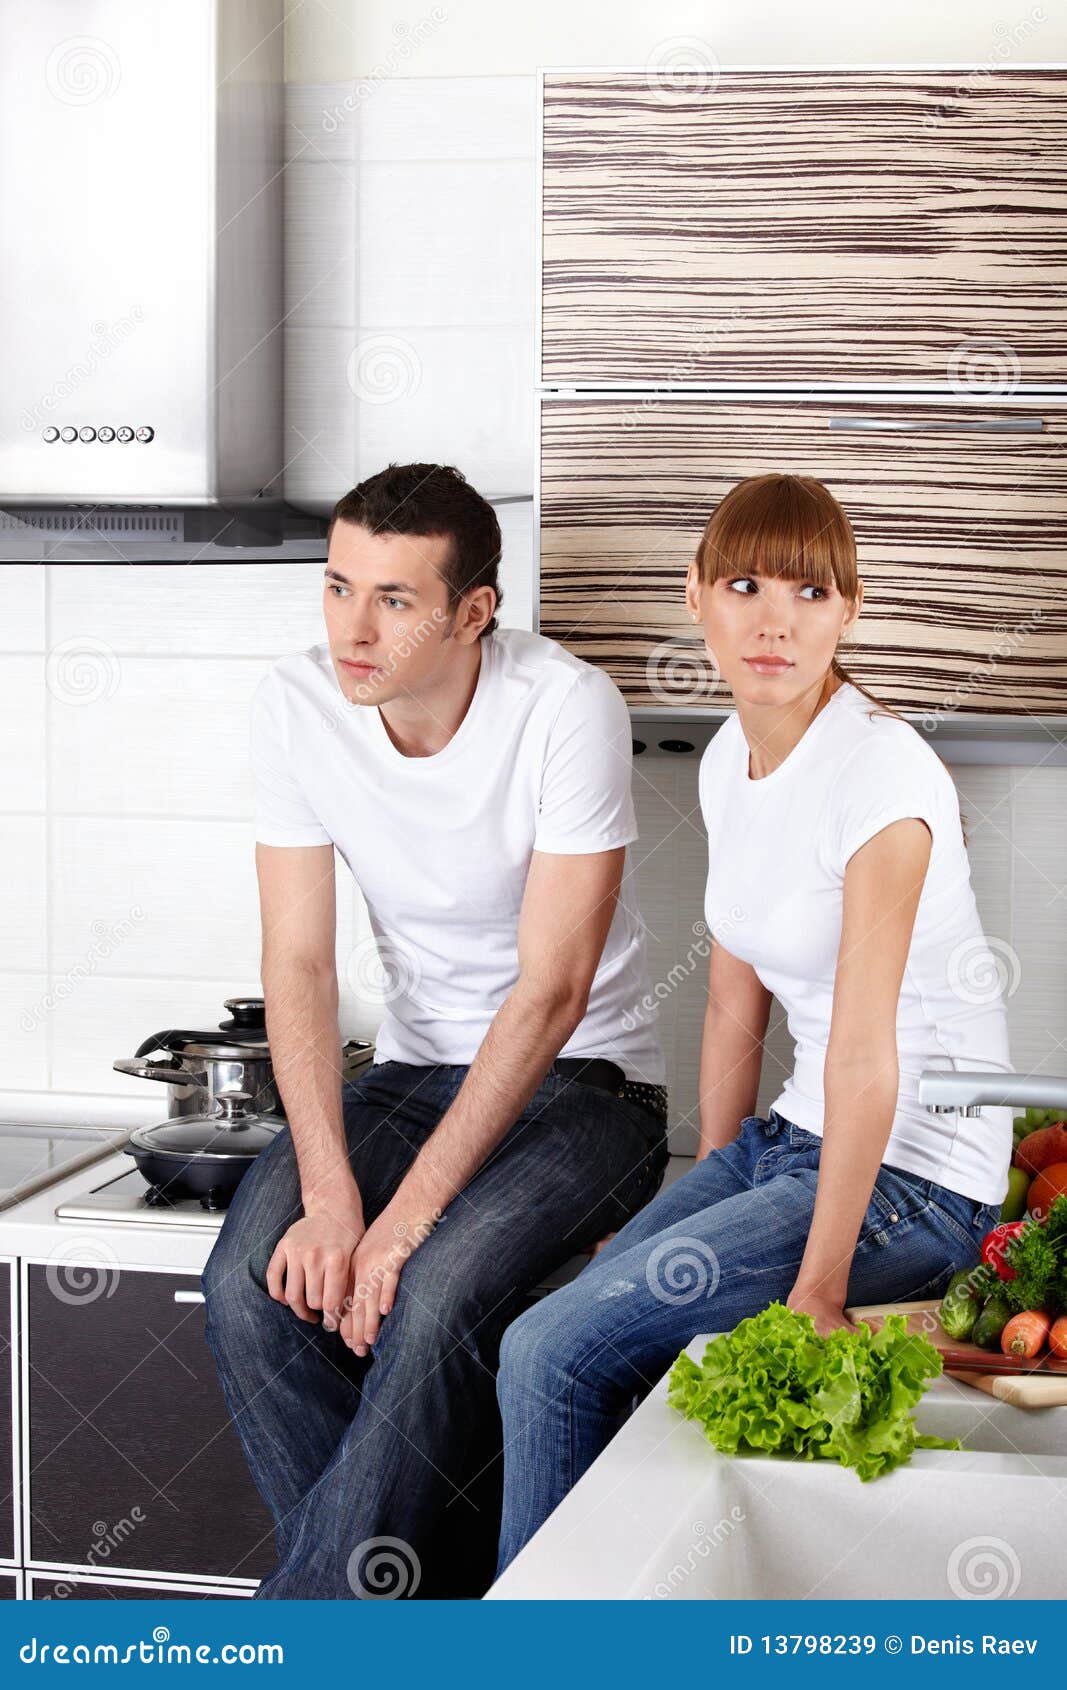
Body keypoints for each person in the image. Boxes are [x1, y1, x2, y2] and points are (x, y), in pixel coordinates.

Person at [494, 472, 1013, 1575]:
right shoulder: (731, 757)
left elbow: (866, 1059)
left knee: (547, 1353)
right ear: (696, 595)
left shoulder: (880, 778)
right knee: (575, 1323)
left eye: (808, 592)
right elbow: (734, 1003)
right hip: (792, 1141)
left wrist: (815, 1285)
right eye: (743, 584)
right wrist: (707, 1188)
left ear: (848, 610)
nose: (773, 620)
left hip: (915, 1178)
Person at [201, 463, 669, 1600]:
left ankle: (311, 1640)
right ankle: (419, 1630)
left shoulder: (564, 705)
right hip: (412, 1072)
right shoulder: (296, 704)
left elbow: (551, 991)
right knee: (246, 1284)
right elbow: (300, 964)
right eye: (336, 586)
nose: (353, 631)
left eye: (394, 600)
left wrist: (398, 1224)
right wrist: (328, 1197)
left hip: (586, 1086)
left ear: (473, 611)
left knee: (435, 1296)